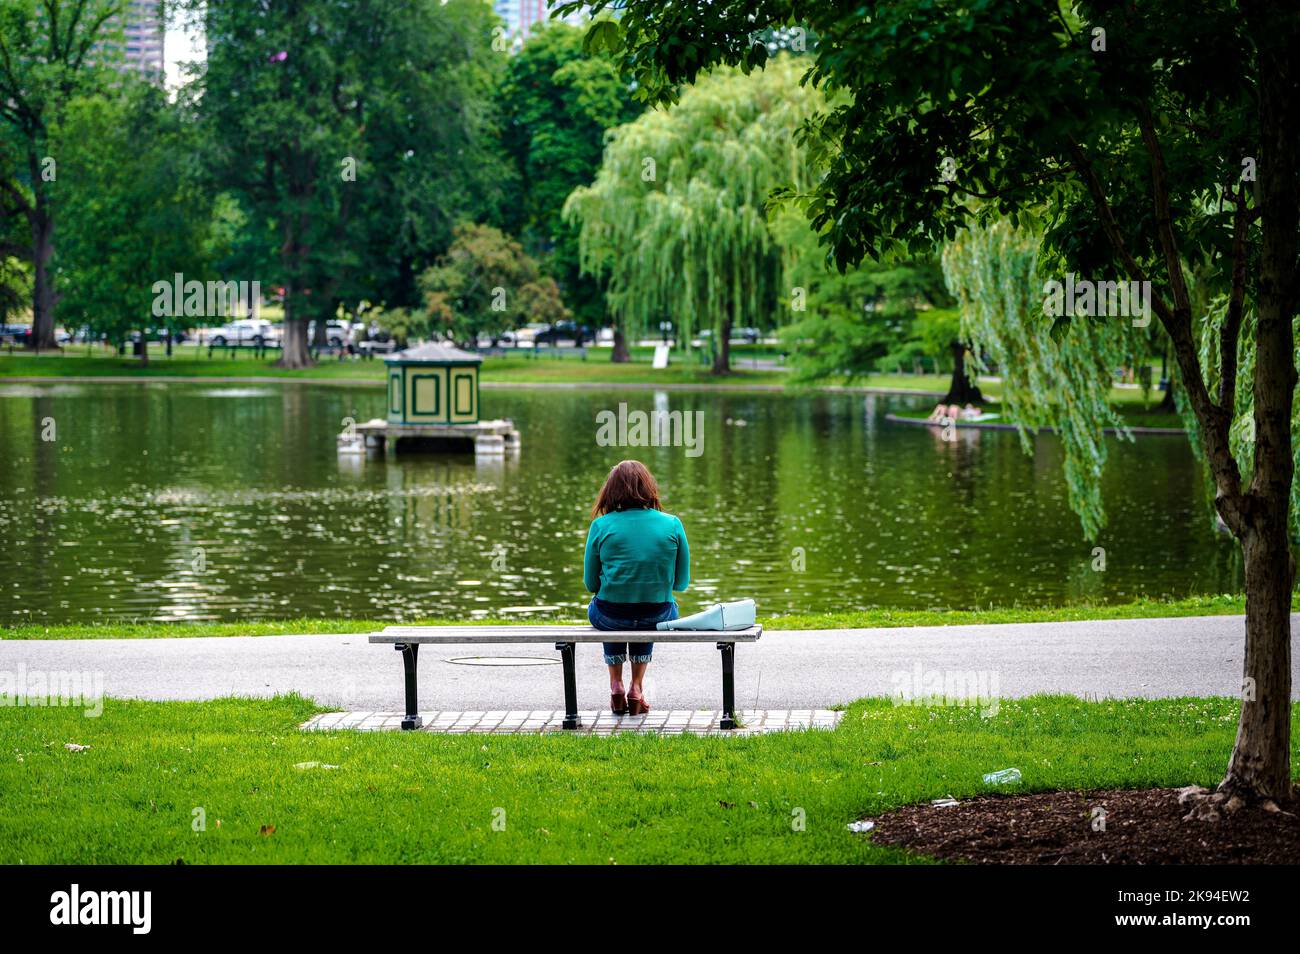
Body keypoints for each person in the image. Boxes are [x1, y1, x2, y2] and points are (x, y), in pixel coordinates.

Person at [584, 460, 691, 716]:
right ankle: (636, 687)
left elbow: (591, 584)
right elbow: (681, 583)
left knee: (609, 611)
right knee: (647, 613)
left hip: (609, 615)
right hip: (658, 615)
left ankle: (616, 685)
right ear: (649, 488)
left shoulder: (600, 526)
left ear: (610, 491)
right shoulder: (673, 523)